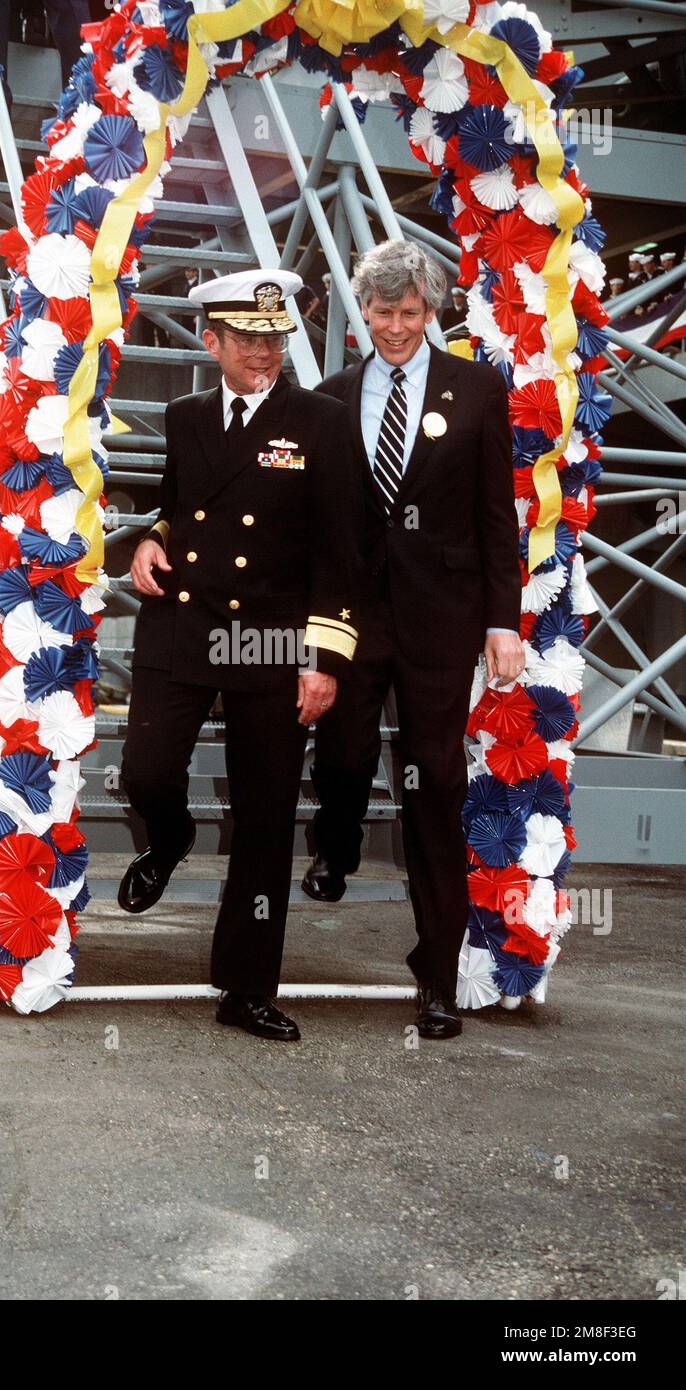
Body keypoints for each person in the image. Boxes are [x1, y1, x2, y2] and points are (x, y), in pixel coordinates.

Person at [118, 269, 359, 1041]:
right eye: (248, 339)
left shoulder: (321, 420)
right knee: (145, 773)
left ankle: (246, 986)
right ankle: (170, 834)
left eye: (274, 338)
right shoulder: (185, 414)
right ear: (209, 340)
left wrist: (324, 659)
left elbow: (342, 554)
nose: (263, 352)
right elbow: (177, 506)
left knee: (264, 818)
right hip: (186, 627)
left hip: (272, 639)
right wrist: (151, 540)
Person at [300, 239, 524, 1041]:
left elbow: (499, 516)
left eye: (409, 312)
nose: (395, 327)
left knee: (435, 786)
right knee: (345, 751)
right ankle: (339, 842)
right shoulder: (329, 398)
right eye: (381, 311)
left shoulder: (476, 391)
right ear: (361, 311)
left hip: (443, 618)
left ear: (433, 310)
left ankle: (435, 975)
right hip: (356, 618)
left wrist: (504, 621)